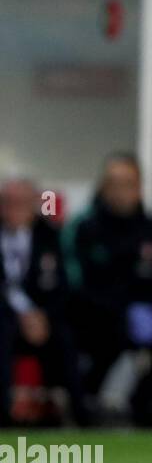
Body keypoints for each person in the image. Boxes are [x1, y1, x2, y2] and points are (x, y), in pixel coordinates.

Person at [64, 154, 152, 425]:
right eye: (113, 183)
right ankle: (95, 406)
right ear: (102, 186)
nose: (120, 191)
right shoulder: (83, 227)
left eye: (127, 183)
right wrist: (123, 311)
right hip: (97, 319)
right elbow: (76, 284)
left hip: (148, 317)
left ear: (139, 187)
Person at [0, 177, 87, 426]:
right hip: (6, 317)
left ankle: (80, 416)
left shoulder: (51, 236)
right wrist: (21, 314)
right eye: (7, 203)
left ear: (34, 204)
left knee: (67, 337)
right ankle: (4, 414)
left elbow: (63, 286)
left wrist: (43, 316)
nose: (13, 209)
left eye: (20, 203)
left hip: (45, 318)